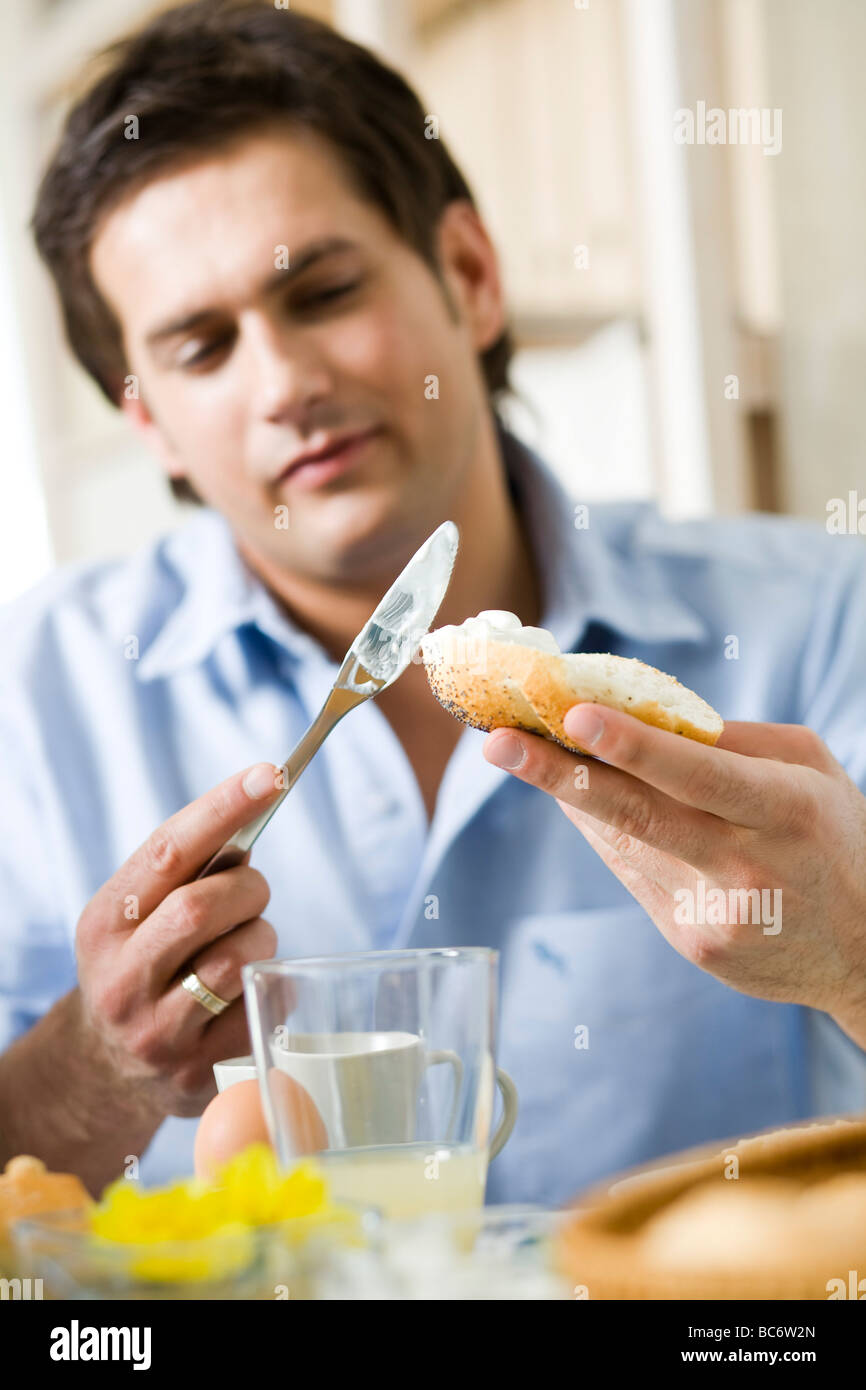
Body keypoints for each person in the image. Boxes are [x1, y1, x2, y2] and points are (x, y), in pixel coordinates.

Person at [1, 0, 864, 1204]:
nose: (287, 384)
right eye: (201, 348)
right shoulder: (35, 696)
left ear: (469, 273)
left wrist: (853, 949)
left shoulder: (816, 618)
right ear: (147, 420)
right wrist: (96, 1065)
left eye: (323, 294)